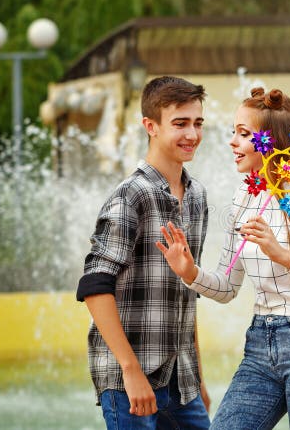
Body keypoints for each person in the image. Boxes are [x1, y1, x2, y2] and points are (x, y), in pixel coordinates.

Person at [156, 87, 290, 429]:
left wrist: (285, 256)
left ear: (272, 142)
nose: (232, 142)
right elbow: (227, 288)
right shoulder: (246, 196)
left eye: (243, 134)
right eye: (233, 133)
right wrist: (190, 272)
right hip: (260, 346)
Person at [76, 76, 211, 430]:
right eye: (179, 124)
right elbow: (93, 287)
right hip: (129, 380)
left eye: (197, 123)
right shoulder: (131, 195)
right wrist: (130, 371)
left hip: (181, 381)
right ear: (150, 126)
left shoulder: (197, 197)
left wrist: (199, 379)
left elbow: (187, 292)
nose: (192, 134)